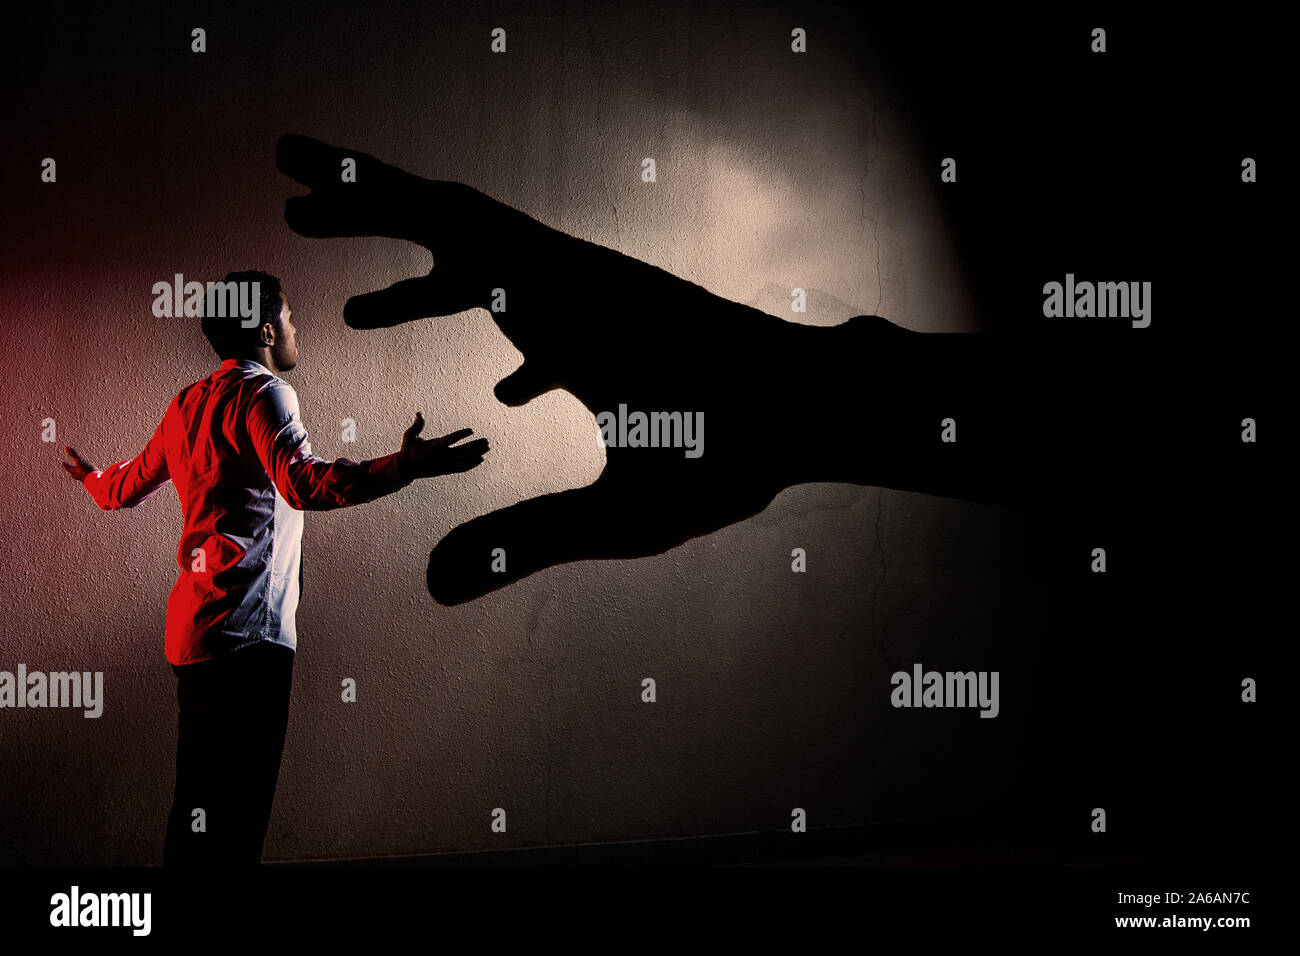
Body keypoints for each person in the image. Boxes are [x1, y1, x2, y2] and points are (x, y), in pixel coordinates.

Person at [60, 270, 488, 865]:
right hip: (247, 640)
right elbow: (302, 482)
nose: (294, 327)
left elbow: (119, 489)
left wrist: (87, 476)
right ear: (265, 329)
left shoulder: (186, 404)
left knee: (198, 814)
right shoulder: (264, 393)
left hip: (193, 637)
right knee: (237, 822)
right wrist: (402, 467)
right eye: (288, 317)